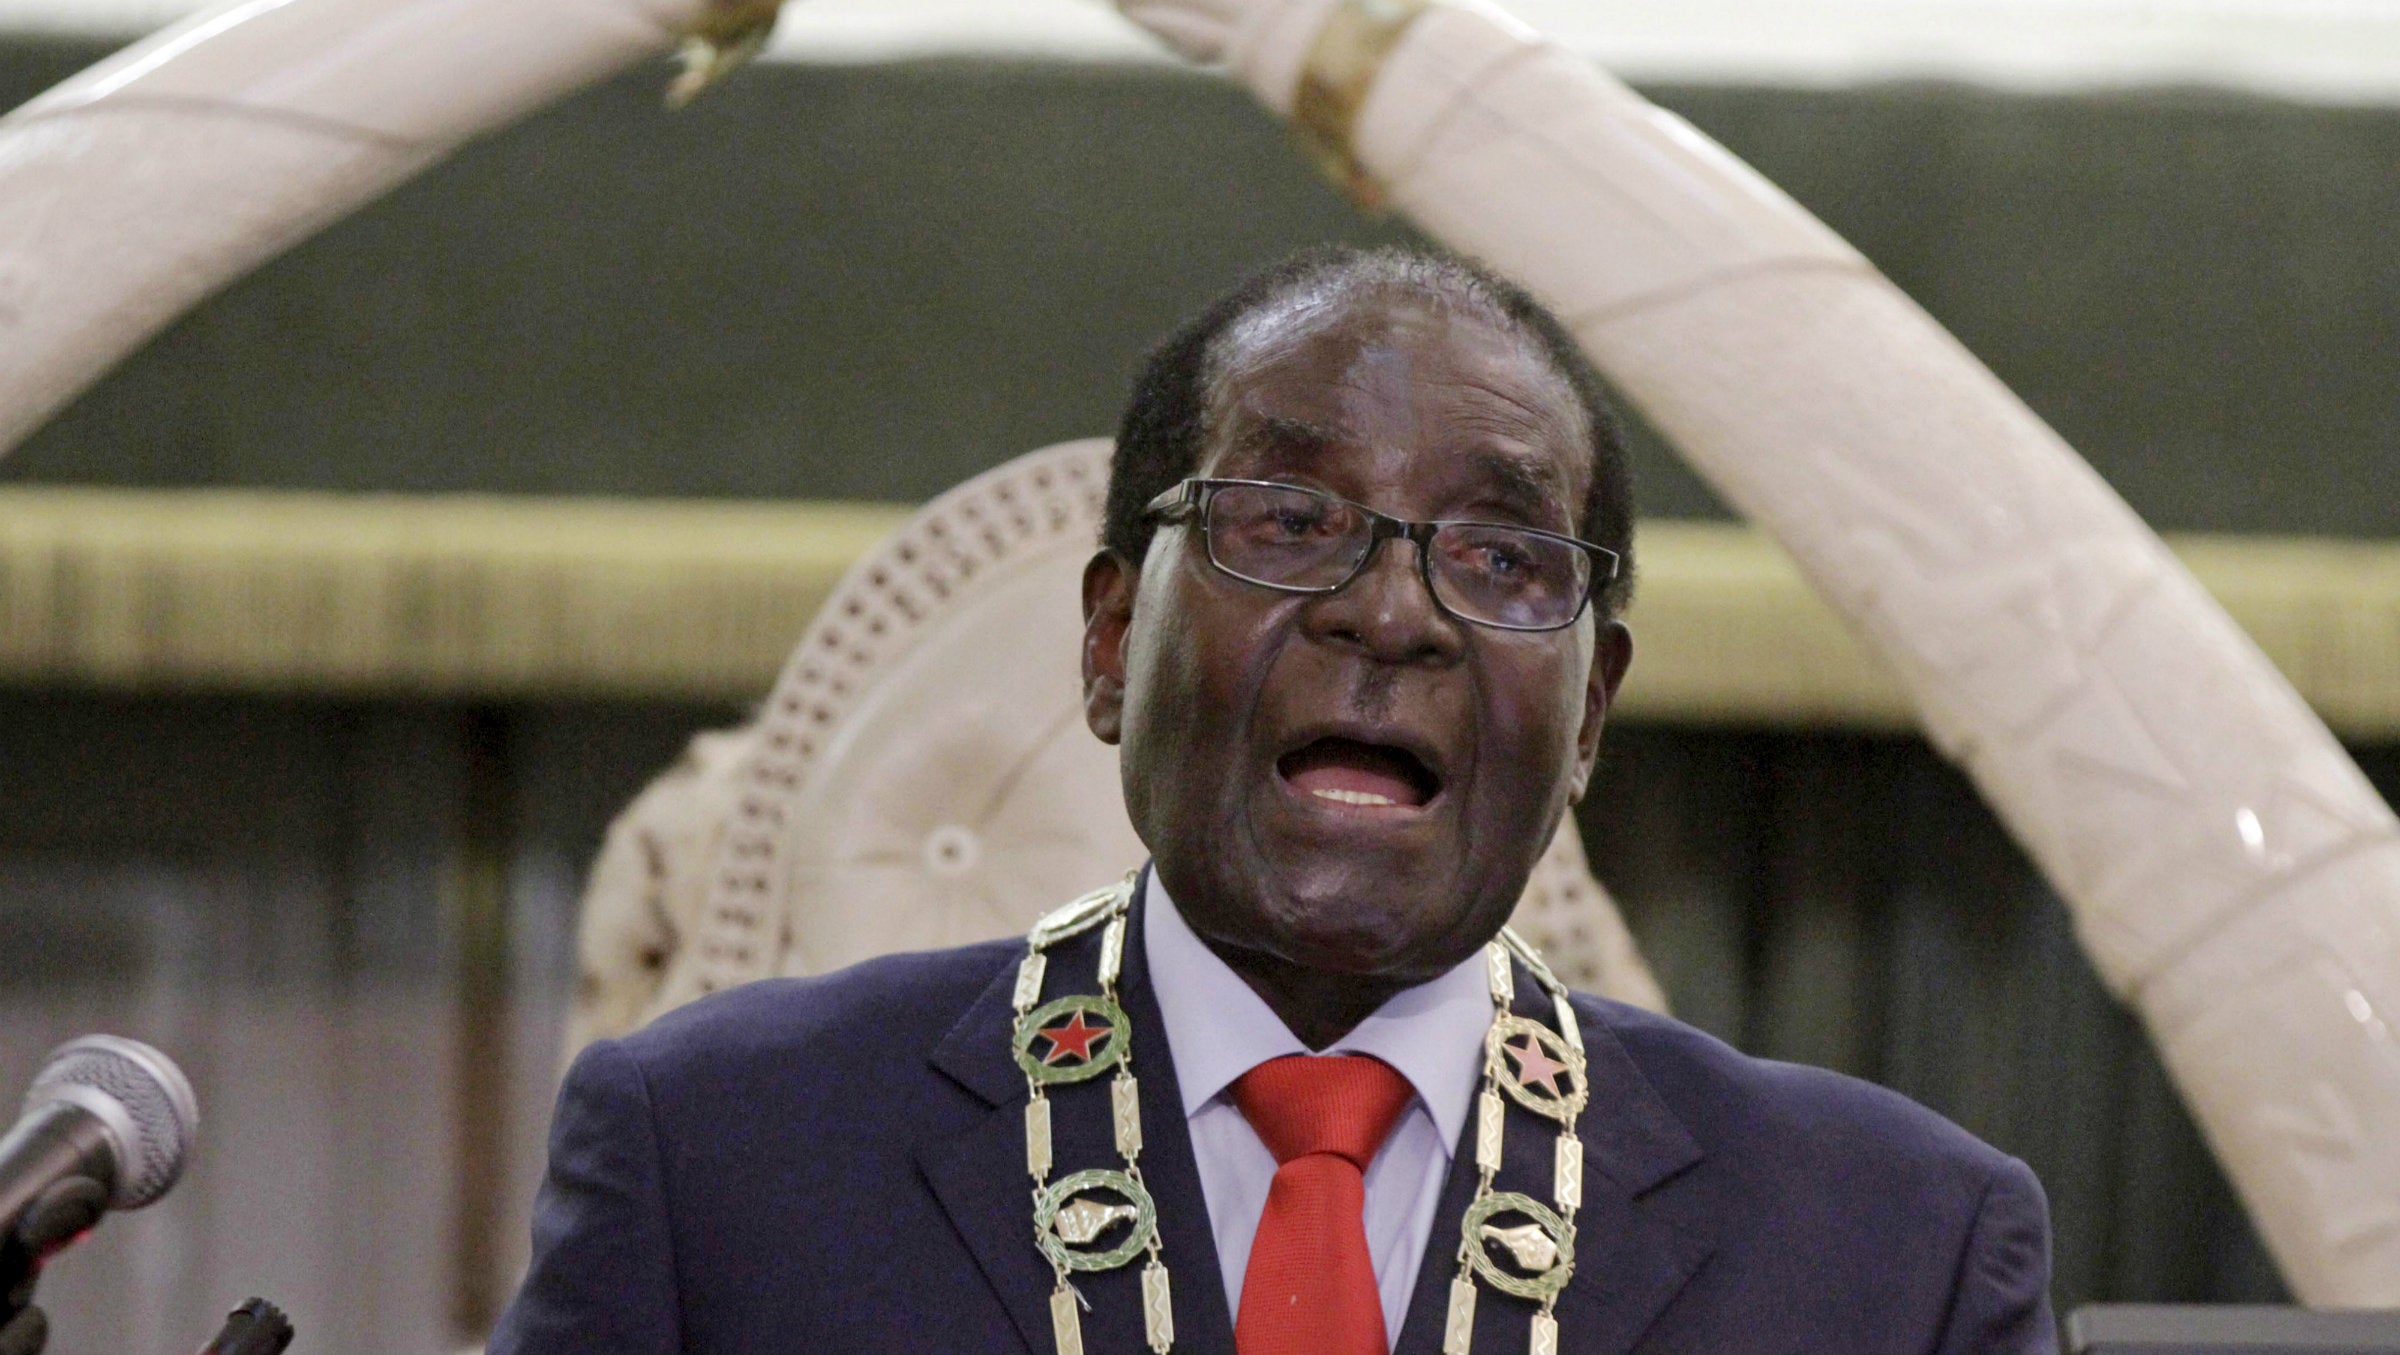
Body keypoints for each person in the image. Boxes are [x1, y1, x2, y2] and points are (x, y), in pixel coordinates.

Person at [489, 246, 2056, 1355]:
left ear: (1589, 718)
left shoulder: (1892, 1254)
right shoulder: (717, 1164)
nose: (1393, 613)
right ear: (1111, 643)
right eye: (1291, 521)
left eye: (1501, 555)